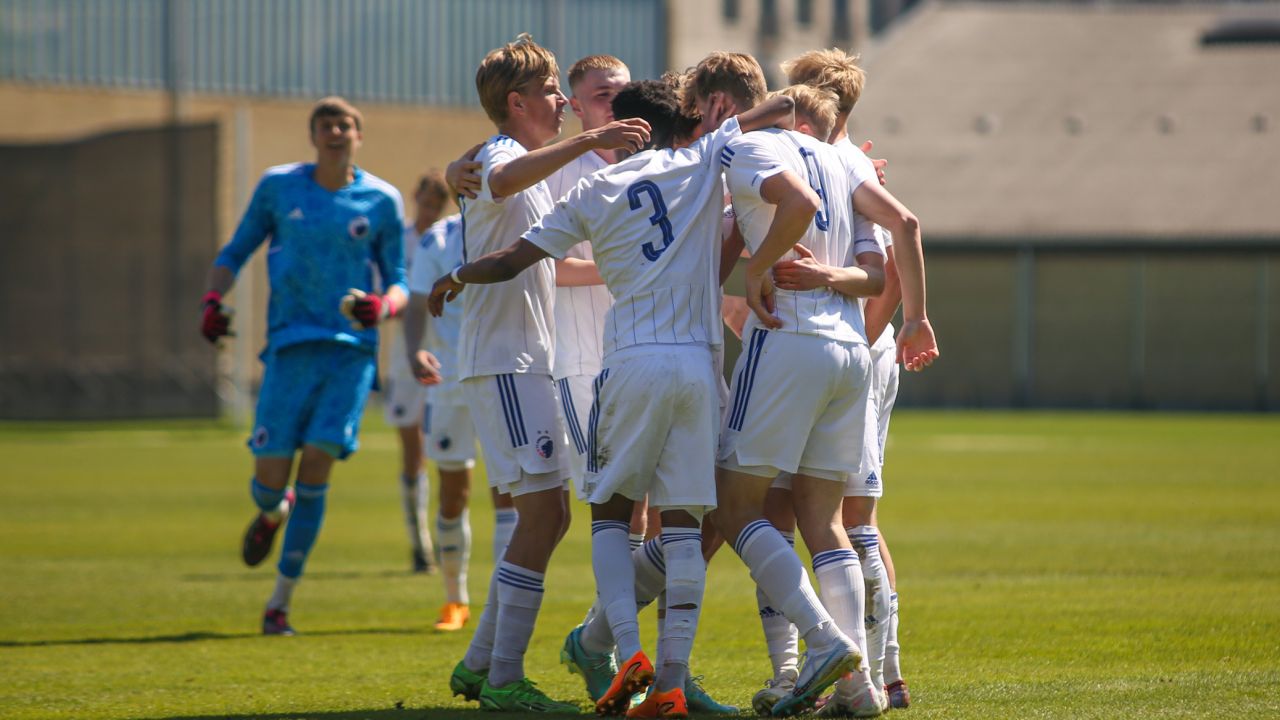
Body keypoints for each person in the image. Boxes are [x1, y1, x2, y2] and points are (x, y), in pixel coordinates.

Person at [429, 77, 795, 720]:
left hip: (623, 361)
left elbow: (514, 256)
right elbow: (781, 108)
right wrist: (723, 123)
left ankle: (622, 649)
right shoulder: (698, 159)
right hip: (696, 366)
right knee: (679, 524)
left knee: (604, 514)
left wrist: (456, 273)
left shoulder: (594, 183)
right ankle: (670, 681)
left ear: (628, 126)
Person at [439, 33, 649, 714]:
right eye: (553, 90)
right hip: (505, 360)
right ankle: (503, 678)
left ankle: (479, 665)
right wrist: (590, 142)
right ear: (517, 101)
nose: (561, 101)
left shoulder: (506, 156)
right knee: (546, 514)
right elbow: (497, 177)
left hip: (521, 359)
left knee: (548, 513)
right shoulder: (502, 155)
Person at [200, 96, 406, 636]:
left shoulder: (381, 200)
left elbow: (401, 280)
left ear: (358, 135)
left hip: (349, 355)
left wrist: (382, 306)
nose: (336, 132)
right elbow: (235, 250)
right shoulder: (277, 187)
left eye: (346, 125)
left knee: (317, 467)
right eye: (326, 125)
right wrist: (212, 302)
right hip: (289, 349)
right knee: (270, 481)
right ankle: (272, 511)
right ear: (313, 135)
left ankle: (280, 603)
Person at [779, 47, 913, 710]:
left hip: (850, 352)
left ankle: (872, 671)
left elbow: (887, 270)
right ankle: (876, 672)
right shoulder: (842, 160)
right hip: (850, 352)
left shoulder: (847, 163)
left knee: (841, 514)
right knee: (837, 513)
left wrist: (862, 339)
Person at [402, 211, 519, 632]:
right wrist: (414, 350)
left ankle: (504, 602)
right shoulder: (438, 239)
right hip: (450, 381)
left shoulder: (516, 222)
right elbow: (417, 302)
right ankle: (455, 600)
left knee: (509, 494)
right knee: (454, 494)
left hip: (505, 374)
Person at [385, 171, 450, 575]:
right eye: (425, 202)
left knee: (443, 448)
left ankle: (444, 539)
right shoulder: (399, 242)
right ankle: (419, 542)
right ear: (415, 197)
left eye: (436, 205)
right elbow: (389, 294)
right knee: (412, 449)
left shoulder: (447, 240)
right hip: (404, 357)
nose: (429, 211)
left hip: (444, 354)